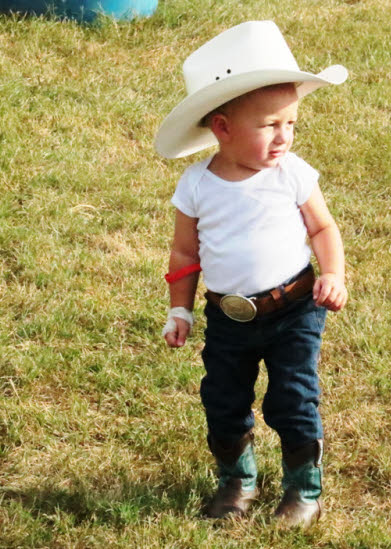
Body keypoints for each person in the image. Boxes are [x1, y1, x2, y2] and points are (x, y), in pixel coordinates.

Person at [155, 20, 348, 528]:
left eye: (292, 124)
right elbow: (184, 255)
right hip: (228, 317)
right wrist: (180, 307)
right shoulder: (196, 184)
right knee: (222, 397)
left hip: (294, 308)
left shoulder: (293, 174)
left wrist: (333, 273)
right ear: (221, 127)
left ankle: (303, 490)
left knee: (292, 396)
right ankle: (236, 482)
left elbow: (323, 227)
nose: (284, 136)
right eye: (270, 125)